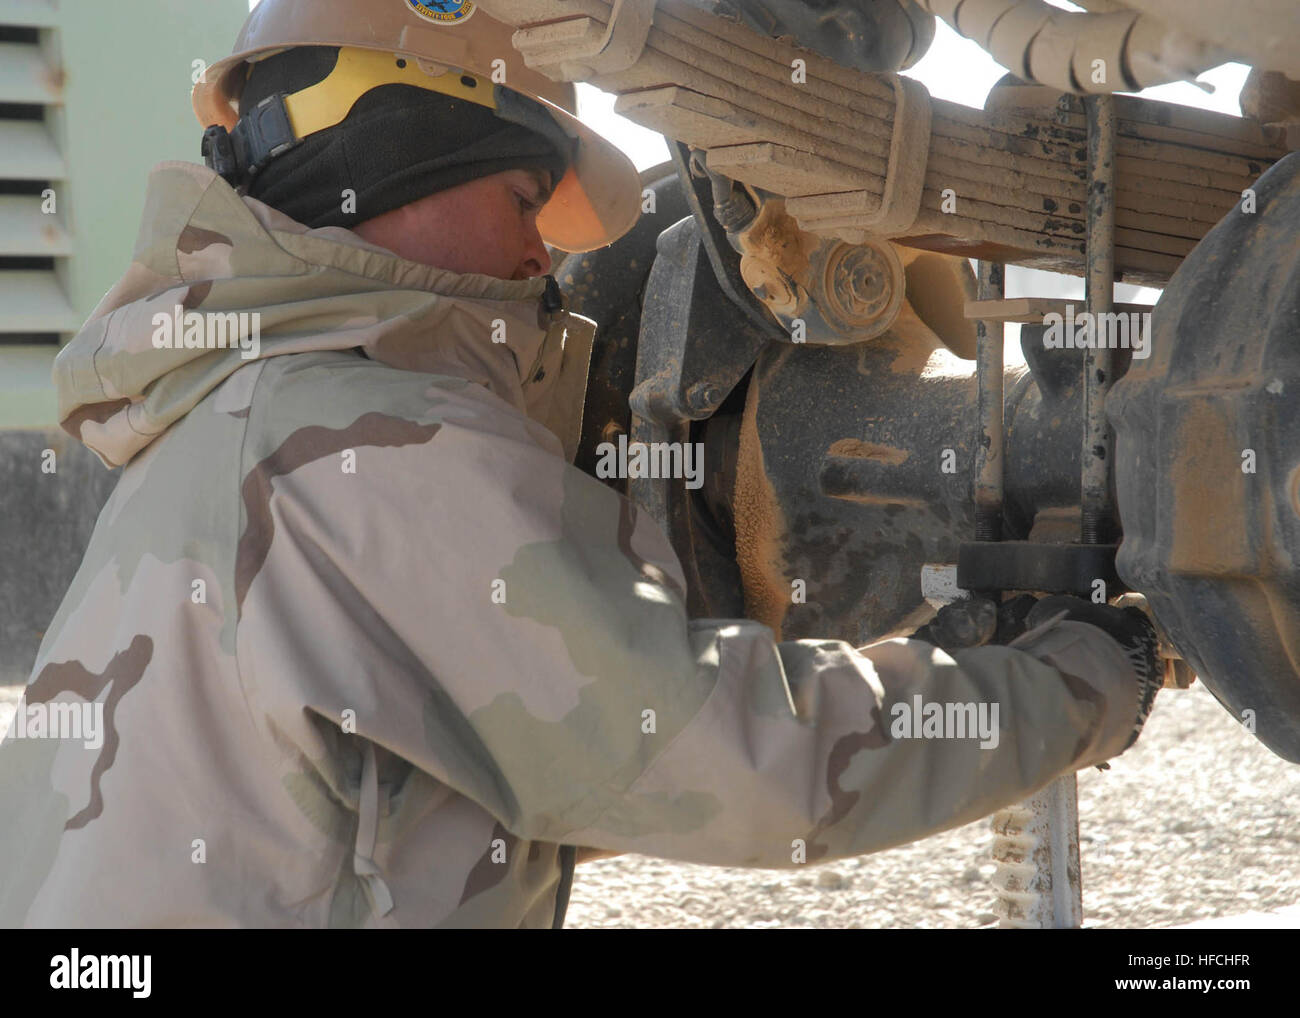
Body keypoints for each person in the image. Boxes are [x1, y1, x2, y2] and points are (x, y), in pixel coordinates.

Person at [0, 1, 1160, 928]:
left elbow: (531, 761)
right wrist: (1090, 676)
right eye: (521, 198)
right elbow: (741, 763)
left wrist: (939, 660)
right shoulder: (376, 444)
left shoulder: (216, 421)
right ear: (401, 146)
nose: (534, 253)